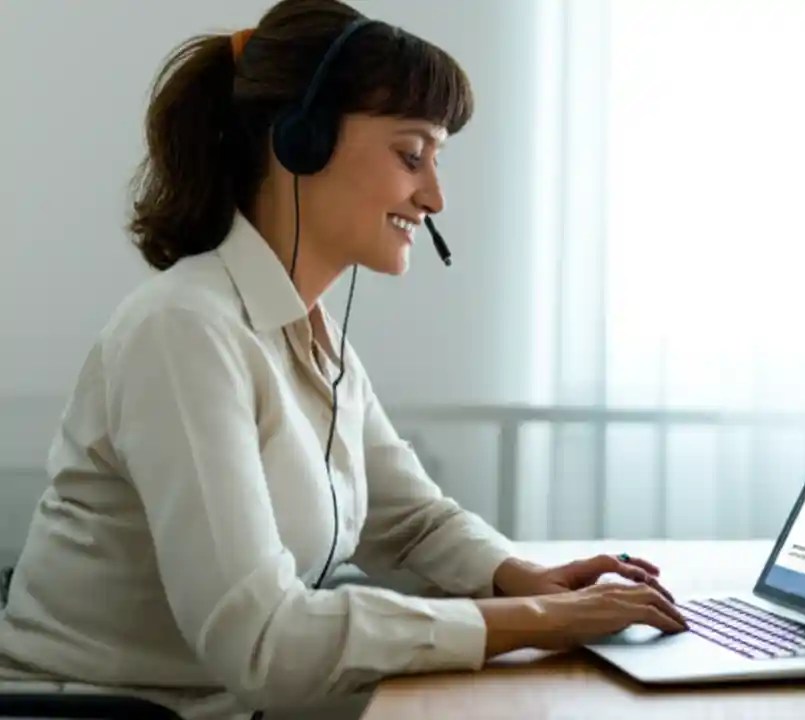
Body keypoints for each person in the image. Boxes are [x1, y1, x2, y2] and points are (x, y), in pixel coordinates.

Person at [0, 1, 687, 718]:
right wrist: (545, 624)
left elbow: (412, 521)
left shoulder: (309, 334)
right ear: (301, 141)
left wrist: (523, 577)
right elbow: (266, 643)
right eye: (411, 155)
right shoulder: (183, 331)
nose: (434, 195)